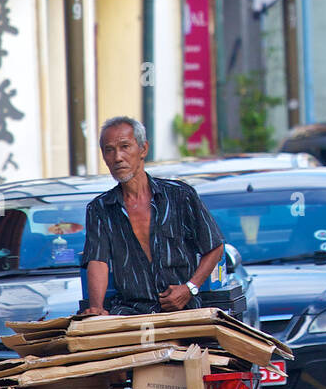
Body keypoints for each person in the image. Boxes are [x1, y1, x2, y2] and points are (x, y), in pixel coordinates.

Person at [80, 116, 225, 318]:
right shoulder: (99, 209)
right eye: (109, 150)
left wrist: (190, 288)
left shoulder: (180, 195)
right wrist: (96, 307)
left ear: (143, 149)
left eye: (125, 147)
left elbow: (215, 246)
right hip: (130, 313)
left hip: (184, 311)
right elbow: (98, 260)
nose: (117, 157)